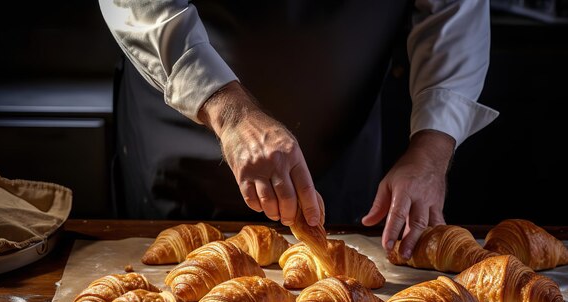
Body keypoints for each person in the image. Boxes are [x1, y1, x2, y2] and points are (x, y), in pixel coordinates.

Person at [98, 0, 498, 260]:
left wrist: (432, 147)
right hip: (183, 134)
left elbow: (455, 11)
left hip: (344, 146)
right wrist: (228, 110)